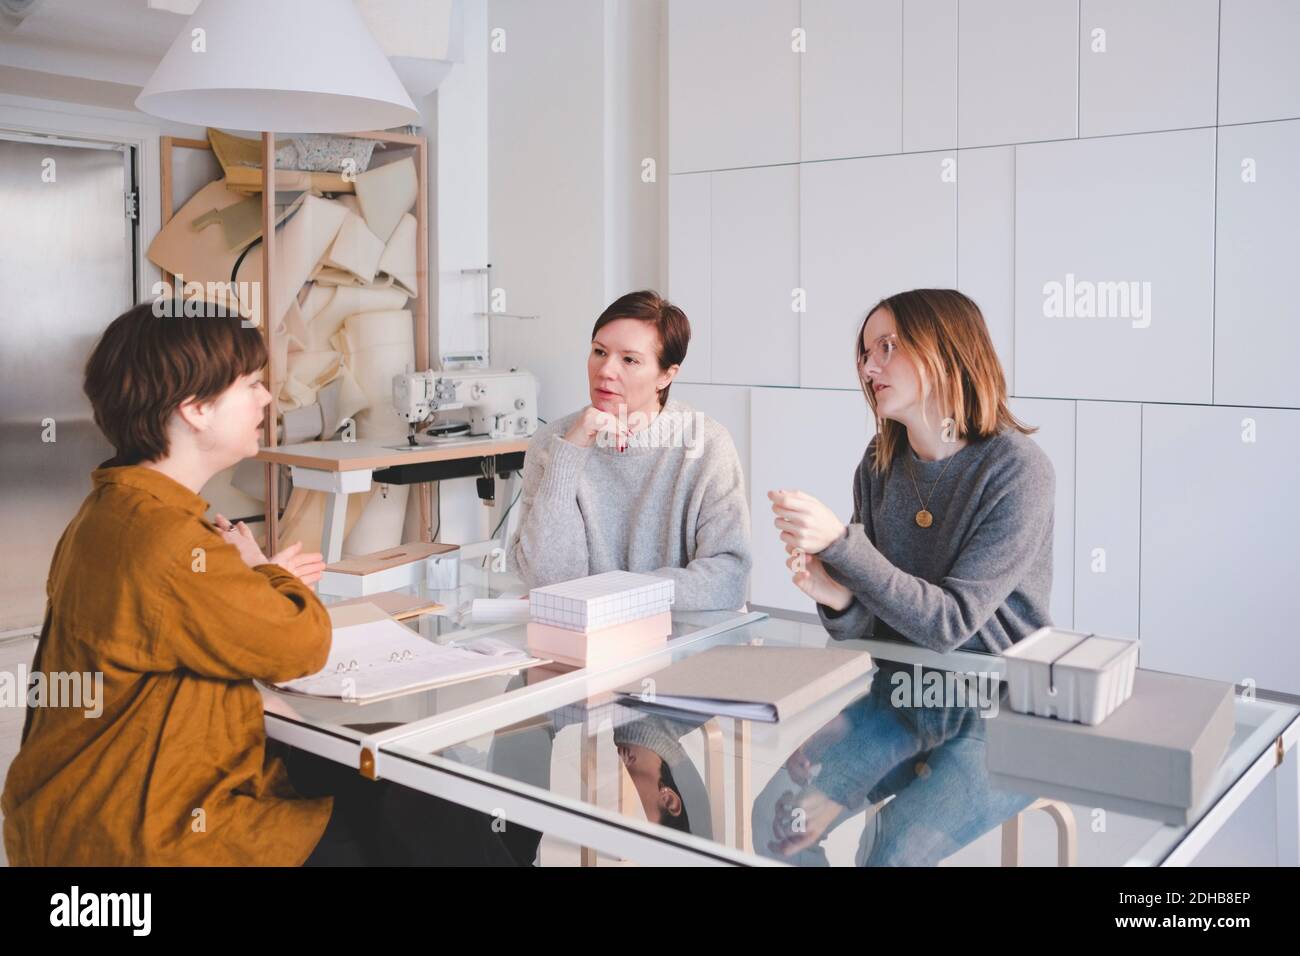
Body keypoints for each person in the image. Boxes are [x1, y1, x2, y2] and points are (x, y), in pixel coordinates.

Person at [761, 288, 1052, 861]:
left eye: (887, 347)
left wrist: (844, 546)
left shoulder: (1016, 470)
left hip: (1002, 717)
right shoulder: (879, 463)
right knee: (779, 816)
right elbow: (876, 622)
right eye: (866, 353)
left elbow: (950, 623)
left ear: (948, 350)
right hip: (901, 698)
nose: (869, 368)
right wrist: (839, 600)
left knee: (891, 844)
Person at [508, 290, 751, 611]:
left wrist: (611, 597)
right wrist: (570, 452)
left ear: (666, 376)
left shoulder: (705, 444)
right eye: (599, 351)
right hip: (583, 640)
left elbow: (728, 579)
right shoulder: (552, 442)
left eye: (629, 359)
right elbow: (548, 579)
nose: (606, 370)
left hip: (681, 641)